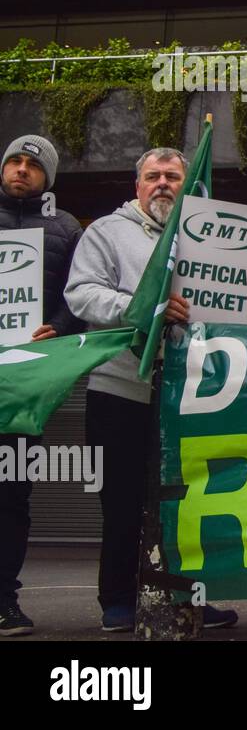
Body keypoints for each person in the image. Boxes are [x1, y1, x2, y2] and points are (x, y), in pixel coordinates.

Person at [65, 148, 239, 634]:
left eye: (173, 176)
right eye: (153, 176)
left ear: (188, 185)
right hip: (120, 389)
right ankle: (118, 599)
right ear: (137, 184)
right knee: (121, 502)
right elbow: (81, 294)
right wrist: (148, 307)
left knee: (184, 505)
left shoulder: (212, 238)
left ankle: (187, 600)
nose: (163, 183)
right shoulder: (105, 231)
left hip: (188, 396)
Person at [0, 136, 85, 637]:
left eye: (34, 165)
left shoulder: (65, 227)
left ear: (47, 178)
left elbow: (78, 294)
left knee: (11, 493)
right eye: (15, 160)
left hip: (24, 380)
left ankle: (4, 598)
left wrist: (58, 326)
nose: (22, 169)